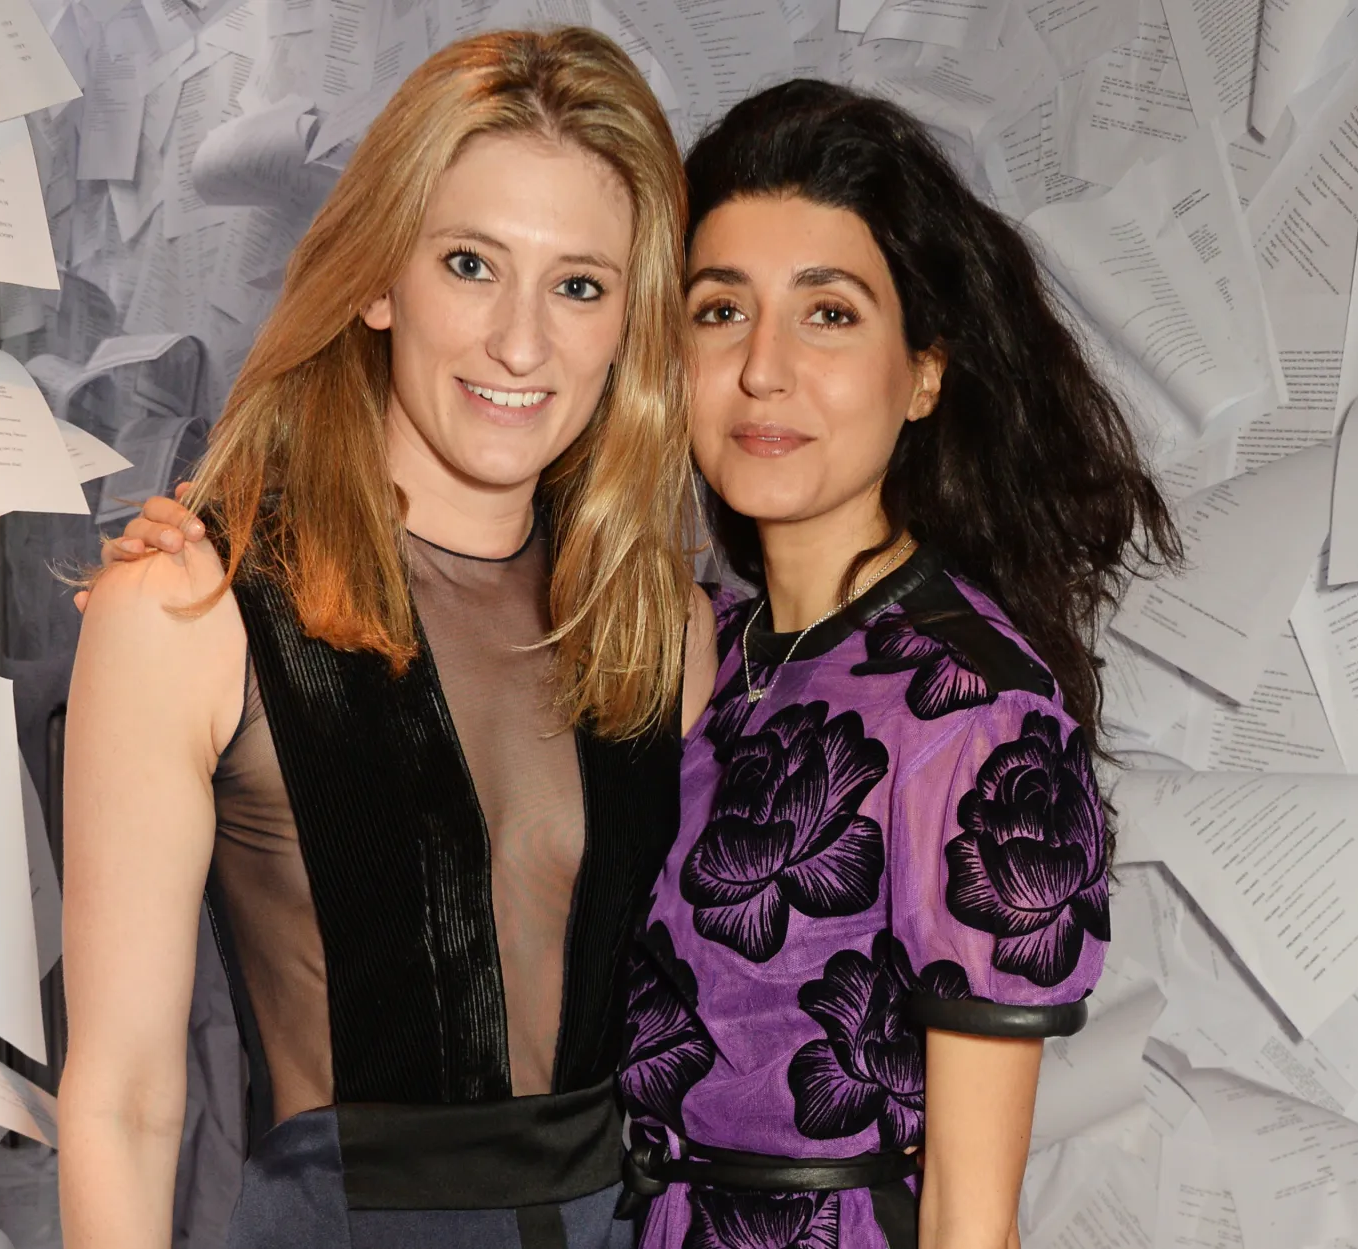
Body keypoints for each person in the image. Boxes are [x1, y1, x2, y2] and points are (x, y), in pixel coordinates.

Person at [93, 75, 1178, 1249]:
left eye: (828, 313)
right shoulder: (700, 644)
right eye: (721, 310)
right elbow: (129, 1096)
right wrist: (197, 562)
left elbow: (971, 1216)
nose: (763, 369)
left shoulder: (928, 697)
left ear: (924, 369)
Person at [59, 28, 716, 1249]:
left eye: (578, 285)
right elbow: (124, 1103)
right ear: (377, 282)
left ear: (629, 325)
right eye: (470, 264)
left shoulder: (659, 627)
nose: (521, 343)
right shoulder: (188, 606)